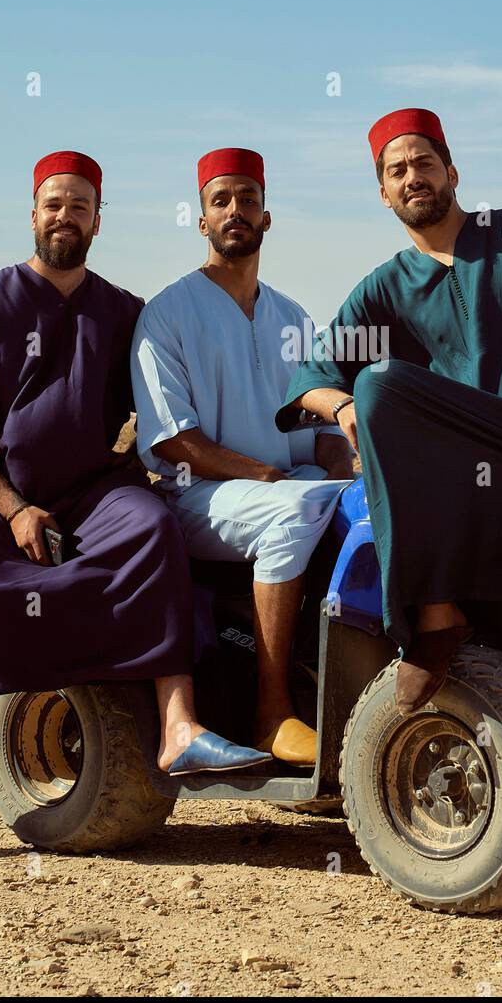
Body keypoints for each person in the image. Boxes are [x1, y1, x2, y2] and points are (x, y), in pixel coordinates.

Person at [276, 108, 502, 858]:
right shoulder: (384, 288)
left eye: (422, 162)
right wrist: (343, 406)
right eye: (395, 170)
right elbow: (309, 378)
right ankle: (434, 618)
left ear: (451, 170)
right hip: (474, 458)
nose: (412, 177)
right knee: (376, 386)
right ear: (383, 193)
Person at [0, 150, 266, 864]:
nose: (65, 217)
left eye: (79, 206)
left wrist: (141, 471)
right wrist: (13, 509)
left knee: (153, 529)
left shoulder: (122, 312)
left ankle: (177, 726)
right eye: (54, 204)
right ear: (33, 215)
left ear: (98, 221)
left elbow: (164, 412)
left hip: (89, 492)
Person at [131, 148, 354, 768]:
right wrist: (264, 474)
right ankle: (271, 713)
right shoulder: (168, 313)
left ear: (267, 216)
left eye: (248, 199)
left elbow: (321, 423)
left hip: (294, 483)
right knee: (296, 510)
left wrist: (343, 466)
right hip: (199, 496)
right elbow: (174, 440)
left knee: (366, 505)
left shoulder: (293, 316)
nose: (236, 210)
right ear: (201, 220)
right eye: (220, 201)